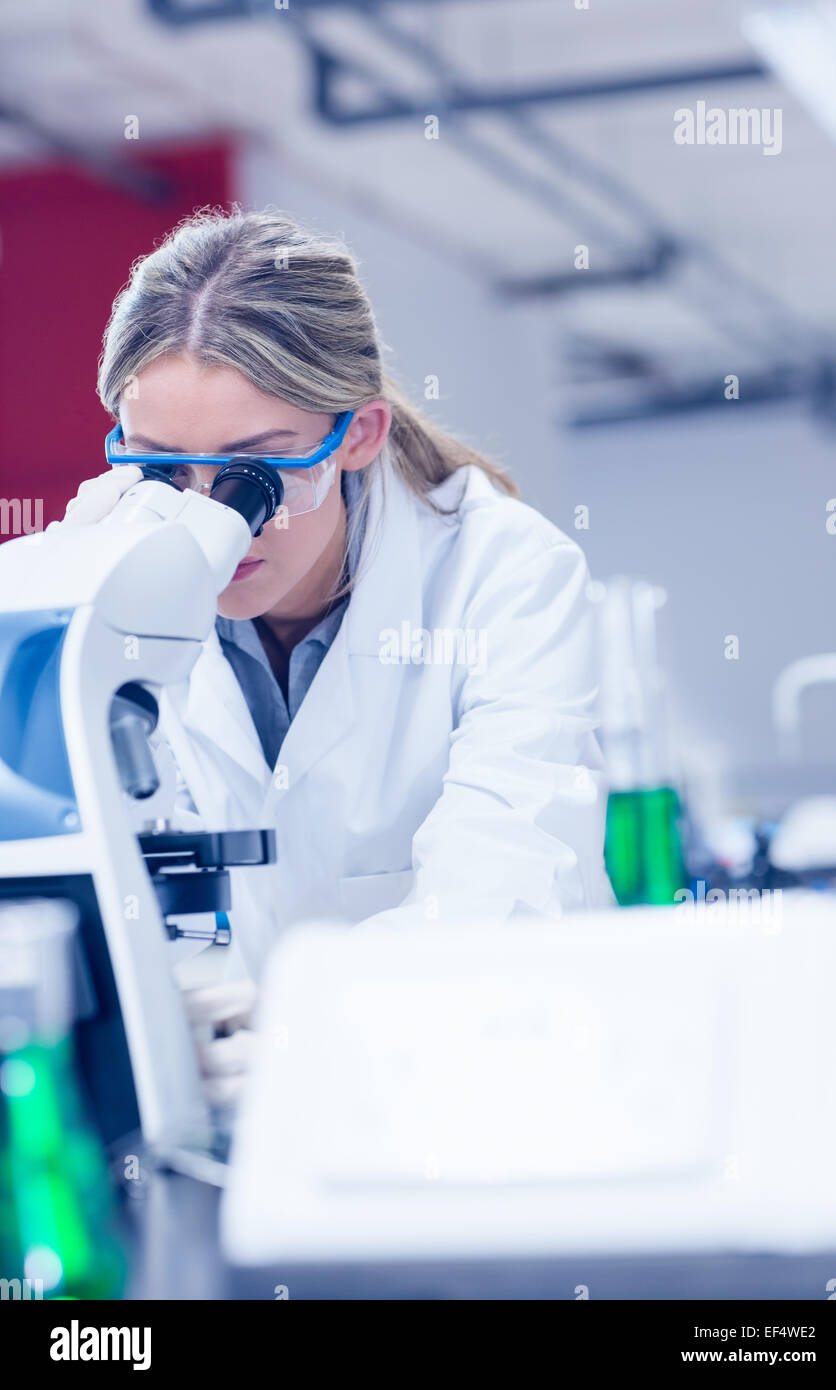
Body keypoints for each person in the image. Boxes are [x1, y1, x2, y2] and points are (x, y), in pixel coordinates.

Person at [66, 207, 613, 1100]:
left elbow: (507, 893)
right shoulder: (114, 597)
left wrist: (297, 1023)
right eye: (163, 470)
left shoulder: (505, 576)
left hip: (490, 1094)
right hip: (236, 1129)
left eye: (256, 473)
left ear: (356, 434)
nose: (212, 518)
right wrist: (49, 619)